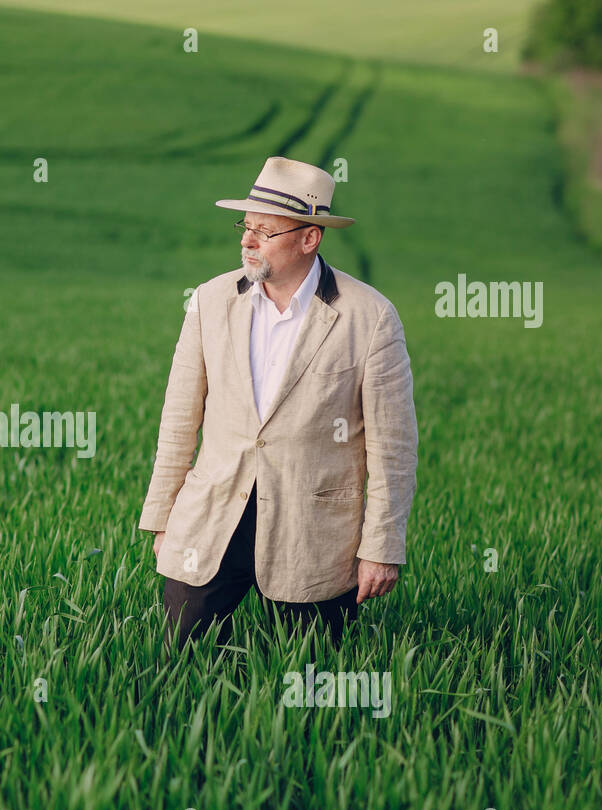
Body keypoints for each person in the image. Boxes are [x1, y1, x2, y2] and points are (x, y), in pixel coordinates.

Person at [139, 156, 418, 650]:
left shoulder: (369, 317)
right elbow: (179, 421)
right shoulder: (208, 301)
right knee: (177, 667)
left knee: (311, 682)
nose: (246, 241)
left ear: (310, 238)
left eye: (264, 232)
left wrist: (381, 546)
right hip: (211, 517)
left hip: (314, 533)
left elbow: (392, 448)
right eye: (245, 227)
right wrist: (163, 519)